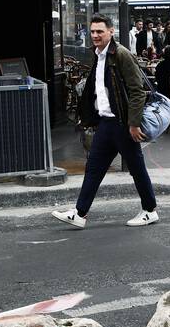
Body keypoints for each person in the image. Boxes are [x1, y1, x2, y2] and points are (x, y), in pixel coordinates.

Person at [53, 14, 158, 228]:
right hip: (106, 123)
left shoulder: (121, 54)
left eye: (100, 31)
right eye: (92, 32)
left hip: (122, 123)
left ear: (111, 31)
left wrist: (134, 123)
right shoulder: (99, 55)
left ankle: (150, 210)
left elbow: (137, 91)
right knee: (94, 168)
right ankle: (80, 214)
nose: (95, 35)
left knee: (136, 168)